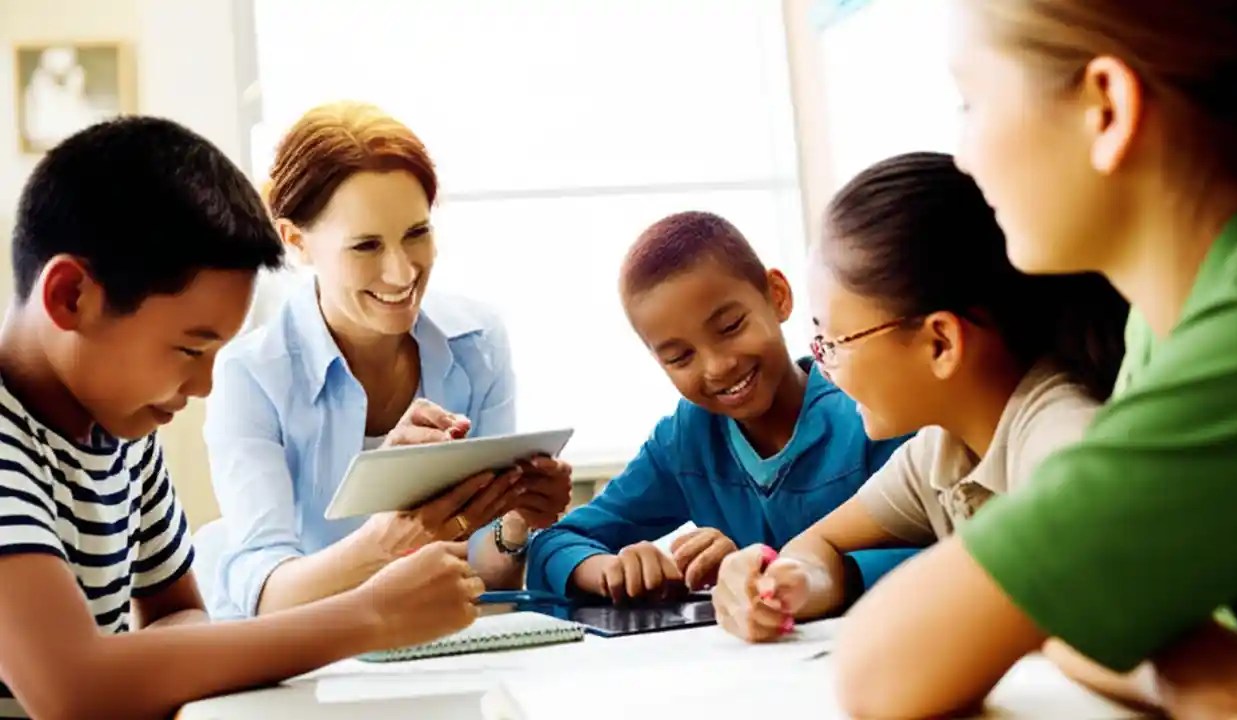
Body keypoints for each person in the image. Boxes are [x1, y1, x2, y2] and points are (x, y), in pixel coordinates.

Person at [830, 1, 1237, 718]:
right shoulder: (1162, 326)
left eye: (972, 101)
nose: (964, 157)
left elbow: (883, 667)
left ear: (1106, 108)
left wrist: (1097, 631)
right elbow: (1065, 624)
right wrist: (1182, 668)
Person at [0, 116, 483, 720]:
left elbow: (181, 616)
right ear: (71, 297)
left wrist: (129, 667)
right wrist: (369, 615)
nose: (204, 385)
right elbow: (72, 688)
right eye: (190, 349)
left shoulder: (122, 428)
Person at [712, 151, 1127, 642]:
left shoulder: (1063, 446)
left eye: (832, 342)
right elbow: (817, 542)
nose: (821, 365)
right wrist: (795, 582)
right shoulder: (939, 450)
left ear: (940, 343)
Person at [201, 101, 572, 620]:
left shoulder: (478, 342)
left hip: (431, 645)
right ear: (295, 242)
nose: (401, 274)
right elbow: (264, 597)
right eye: (366, 246)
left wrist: (514, 523)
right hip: (300, 656)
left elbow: (486, 584)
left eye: (417, 234)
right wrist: (389, 535)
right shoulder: (252, 375)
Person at [525, 211, 913, 604]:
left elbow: (955, 551)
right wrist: (612, 571)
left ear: (777, 296)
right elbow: (555, 542)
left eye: (730, 328)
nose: (716, 367)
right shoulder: (686, 439)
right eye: (680, 357)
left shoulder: (872, 414)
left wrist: (778, 574)